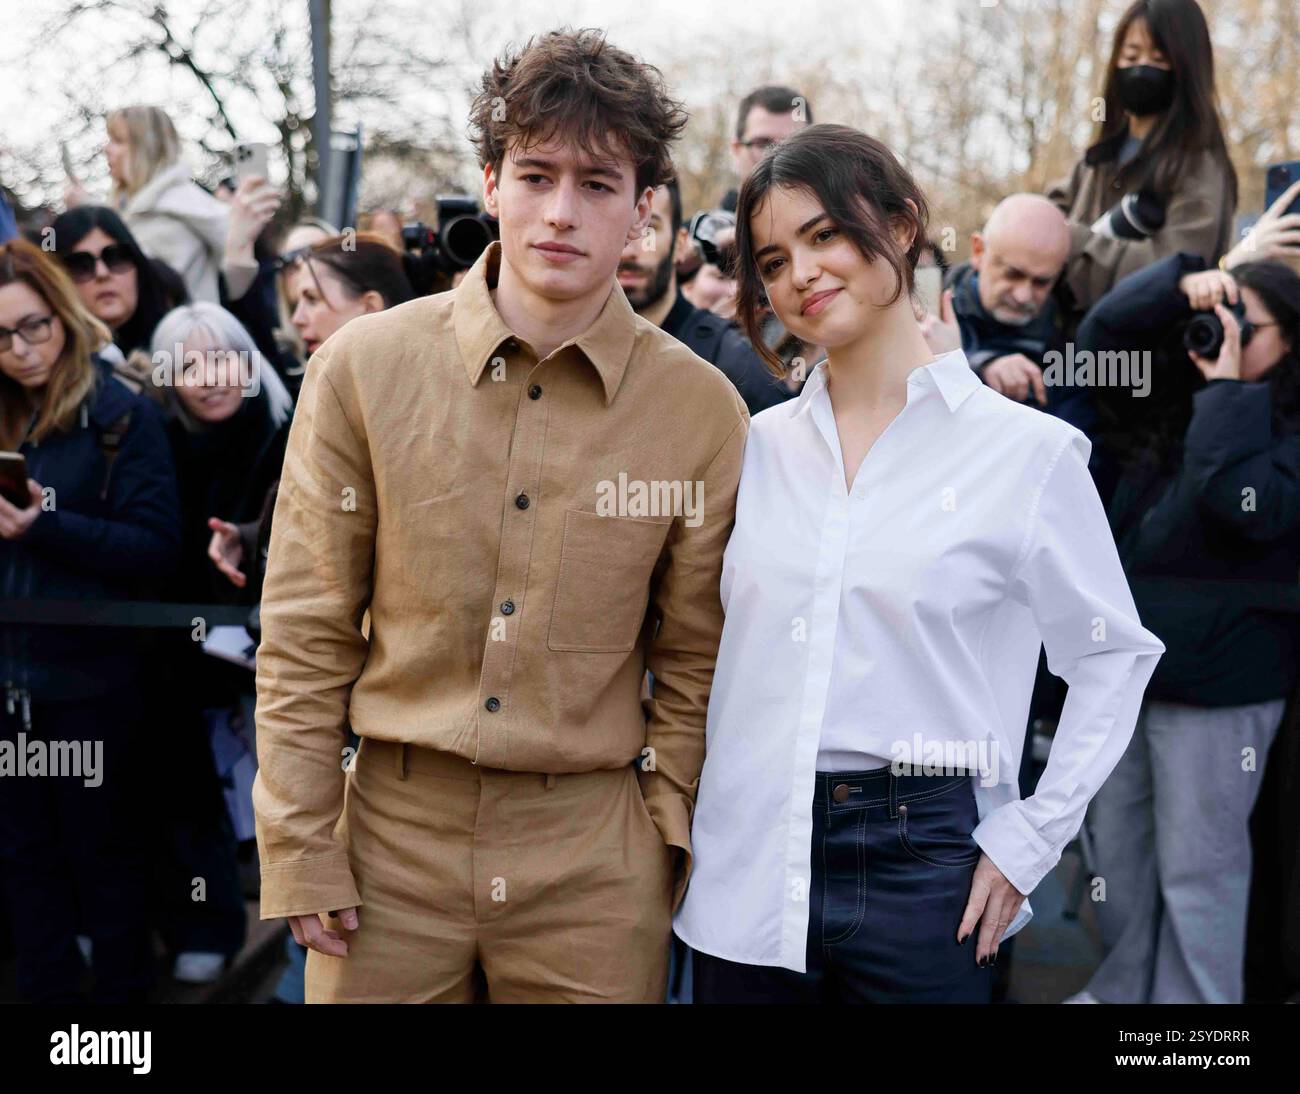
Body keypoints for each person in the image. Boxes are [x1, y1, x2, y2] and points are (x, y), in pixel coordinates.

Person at [251, 28, 747, 1004]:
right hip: (387, 843)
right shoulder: (362, 366)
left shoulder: (701, 411)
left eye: (599, 183)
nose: (561, 210)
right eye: (535, 173)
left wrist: (662, 830)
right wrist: (301, 844)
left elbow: (697, 654)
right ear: (490, 183)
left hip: (595, 850)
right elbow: (306, 628)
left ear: (644, 211)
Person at [673, 123, 1164, 1003]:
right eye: (773, 260)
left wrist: (1031, 839)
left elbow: (1112, 657)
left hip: (926, 858)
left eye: (824, 235)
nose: (801, 275)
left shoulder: (1028, 455)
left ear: (900, 226)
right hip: (747, 852)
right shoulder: (752, 449)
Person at [1065, 251, 1300, 1004]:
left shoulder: (1284, 421)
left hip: (1222, 691)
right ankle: (1129, 997)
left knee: (1201, 874)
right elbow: (1096, 346)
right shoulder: (1168, 390)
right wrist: (1180, 279)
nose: (1223, 331)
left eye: (1247, 325)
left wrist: (1229, 389)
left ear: (1291, 340)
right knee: (1120, 867)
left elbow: (1243, 501)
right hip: (1135, 674)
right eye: (1220, 315)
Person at [0, 238, 180, 1002]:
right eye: (1, 337)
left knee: (106, 869)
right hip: (8, 692)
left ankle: (117, 1035)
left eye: (33, 327)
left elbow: (156, 548)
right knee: (23, 867)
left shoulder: (120, 415)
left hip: (90, 687)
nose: (20, 349)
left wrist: (48, 524)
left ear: (64, 317)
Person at [1047, 0, 1237, 330]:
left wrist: (1074, 242)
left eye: (1159, 59)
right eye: (1131, 56)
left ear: (1185, 67)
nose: (1141, 68)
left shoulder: (1199, 166)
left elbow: (1170, 271)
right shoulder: (1095, 160)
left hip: (1143, 361)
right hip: (1065, 348)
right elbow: (1045, 220)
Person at [618, 179, 789, 414]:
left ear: (679, 244)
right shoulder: (558, 347)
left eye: (648, 228)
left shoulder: (733, 365)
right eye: (613, 225)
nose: (627, 250)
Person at [99, 105, 230, 304]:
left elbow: (233, 243)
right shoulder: (129, 206)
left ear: (145, 148)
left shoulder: (181, 198)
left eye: (118, 141)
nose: (106, 149)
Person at [50, 205, 175, 361]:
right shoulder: (51, 364)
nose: (102, 273)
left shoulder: (182, 340)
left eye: (116, 258)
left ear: (138, 266)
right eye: (80, 266)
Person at [721, 85, 813, 213]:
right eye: (763, 143)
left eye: (792, 144)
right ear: (737, 150)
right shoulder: (696, 231)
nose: (778, 155)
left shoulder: (843, 228)